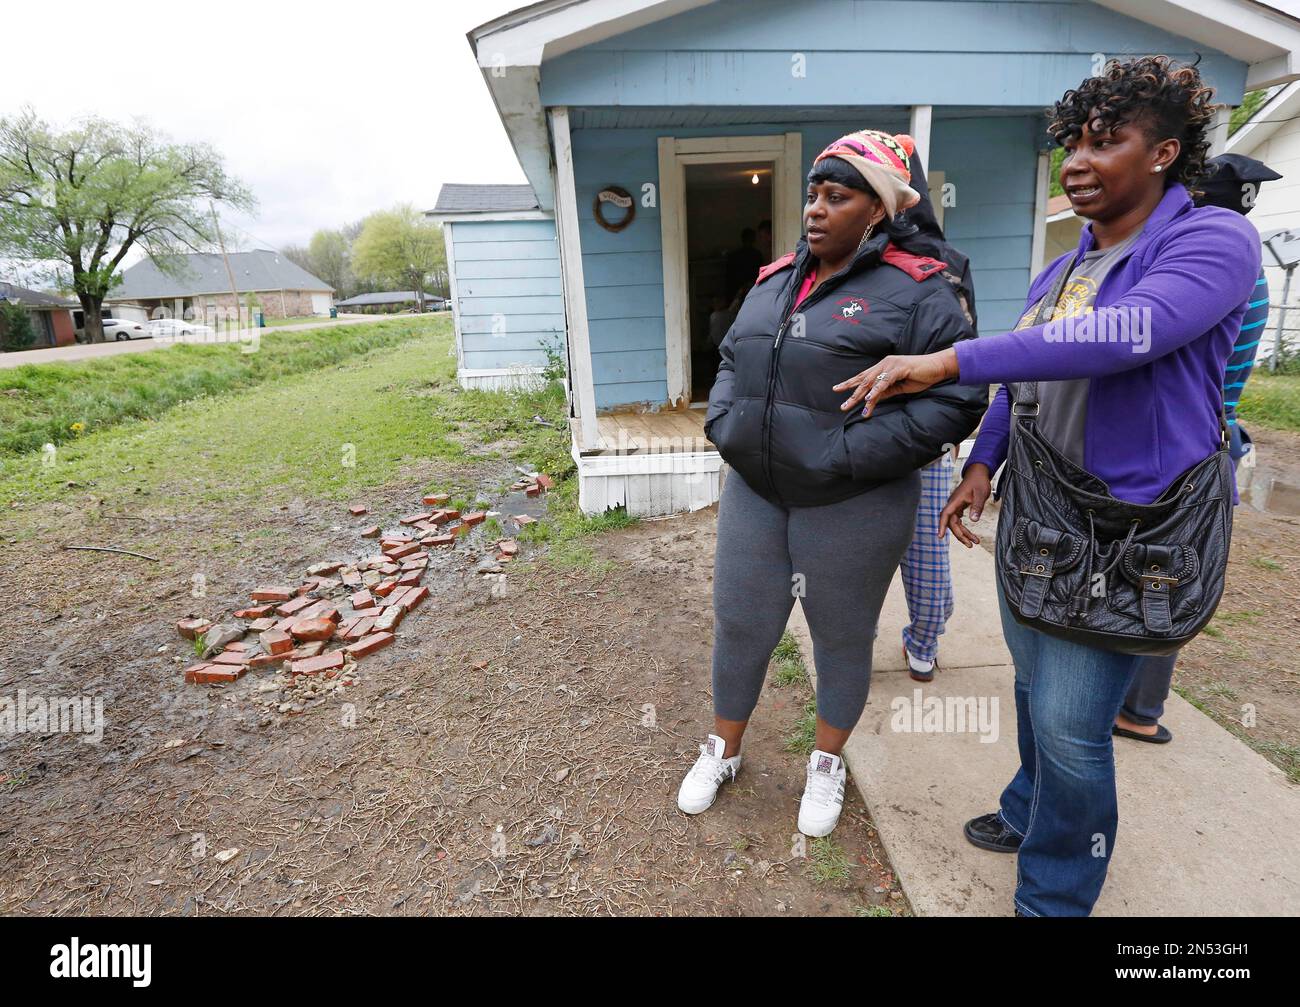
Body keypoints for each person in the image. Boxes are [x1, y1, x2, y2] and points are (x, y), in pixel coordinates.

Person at [831, 57, 1262, 914]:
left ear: (1166, 151)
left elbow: (1119, 337)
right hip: (1042, 512)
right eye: (1072, 142)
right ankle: (1032, 810)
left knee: (1073, 724)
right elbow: (1027, 383)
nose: (1077, 160)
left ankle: (1056, 893)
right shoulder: (1065, 268)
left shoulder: (1211, 241)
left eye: (1107, 141)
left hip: (1125, 528)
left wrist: (948, 358)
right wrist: (983, 464)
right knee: (1033, 686)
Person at [678, 129, 987, 837]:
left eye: (836, 196)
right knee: (741, 622)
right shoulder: (774, 277)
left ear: (877, 208)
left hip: (854, 500)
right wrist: (725, 422)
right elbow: (729, 355)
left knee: (841, 636)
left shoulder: (919, 291)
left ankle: (826, 760)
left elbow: (959, 395)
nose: (815, 208)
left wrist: (846, 452)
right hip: (757, 492)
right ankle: (724, 748)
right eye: (813, 193)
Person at [1115, 152, 1281, 744]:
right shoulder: (1244, 258)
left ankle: (1136, 706)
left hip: (1185, 444)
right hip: (1214, 435)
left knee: (1158, 574)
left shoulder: (1211, 255)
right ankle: (1140, 705)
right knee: (1161, 575)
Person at [892, 149, 980, 682]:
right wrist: (951, 428)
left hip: (861, 429)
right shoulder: (948, 263)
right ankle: (923, 645)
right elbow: (966, 354)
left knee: (855, 553)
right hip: (923, 433)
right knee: (926, 545)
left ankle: (849, 648)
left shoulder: (852, 260)